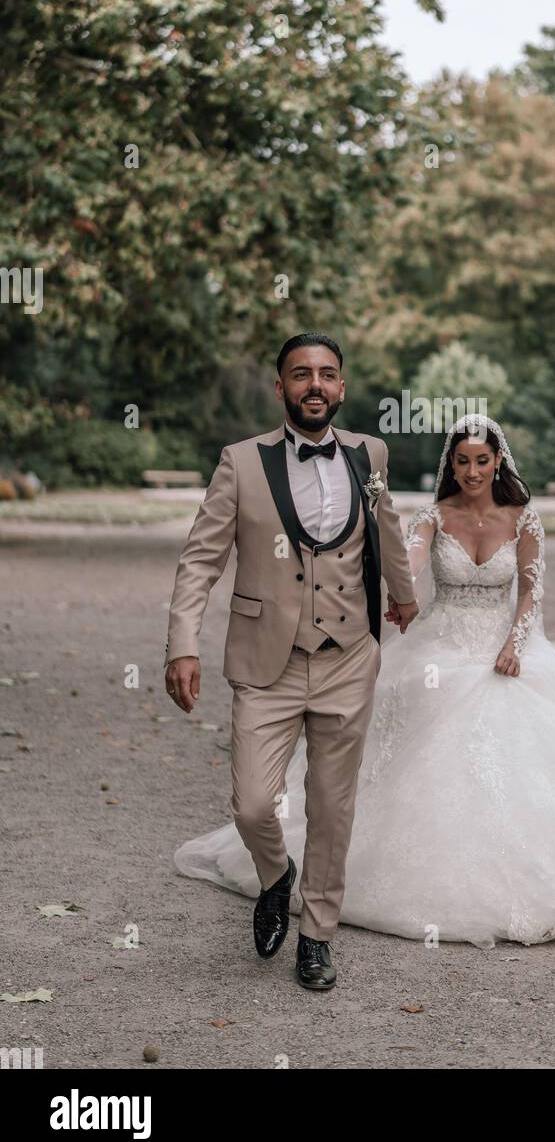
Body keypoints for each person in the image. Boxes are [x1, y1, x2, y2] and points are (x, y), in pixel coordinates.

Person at [174, 412, 555, 951]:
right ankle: (303, 874)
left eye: (481, 461)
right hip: (440, 645)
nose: (471, 471)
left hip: (509, 647)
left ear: (498, 463)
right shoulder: (433, 517)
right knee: (409, 728)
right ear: (451, 465)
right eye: (461, 461)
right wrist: (393, 593)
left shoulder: (525, 518)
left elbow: (532, 591)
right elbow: (406, 562)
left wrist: (515, 647)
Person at [164, 333, 418, 991]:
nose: (315, 384)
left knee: (333, 809)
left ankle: (317, 937)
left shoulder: (371, 455)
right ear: (280, 387)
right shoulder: (241, 463)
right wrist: (182, 641)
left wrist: (407, 597)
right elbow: (201, 558)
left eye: (327, 375)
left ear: (341, 387)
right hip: (266, 663)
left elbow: (386, 528)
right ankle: (276, 877)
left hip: (348, 659)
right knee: (252, 804)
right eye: (301, 374)